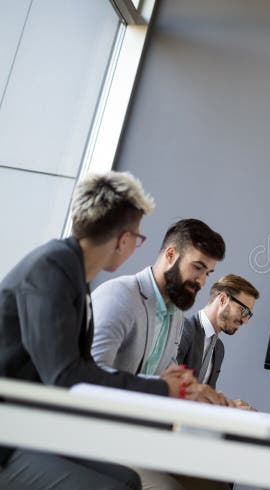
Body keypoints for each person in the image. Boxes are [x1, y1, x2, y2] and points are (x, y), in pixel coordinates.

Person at [0, 172, 195, 490]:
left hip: (27, 428)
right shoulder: (52, 270)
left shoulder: (70, 272)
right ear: (123, 240)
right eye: (138, 237)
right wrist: (161, 388)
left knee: (129, 480)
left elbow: (80, 371)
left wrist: (161, 387)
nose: (135, 245)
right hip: (8, 438)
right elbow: (66, 377)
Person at [91, 218, 228, 405]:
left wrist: (197, 392)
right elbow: (91, 377)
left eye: (207, 273)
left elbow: (166, 376)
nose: (202, 282)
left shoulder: (176, 315)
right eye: (197, 267)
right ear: (170, 255)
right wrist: (164, 387)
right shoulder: (119, 297)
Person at [176, 274, 260, 409]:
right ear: (222, 299)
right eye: (243, 310)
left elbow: (207, 400)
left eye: (248, 314)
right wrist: (229, 406)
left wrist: (231, 408)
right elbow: (170, 388)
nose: (245, 320)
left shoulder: (218, 349)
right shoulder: (182, 330)